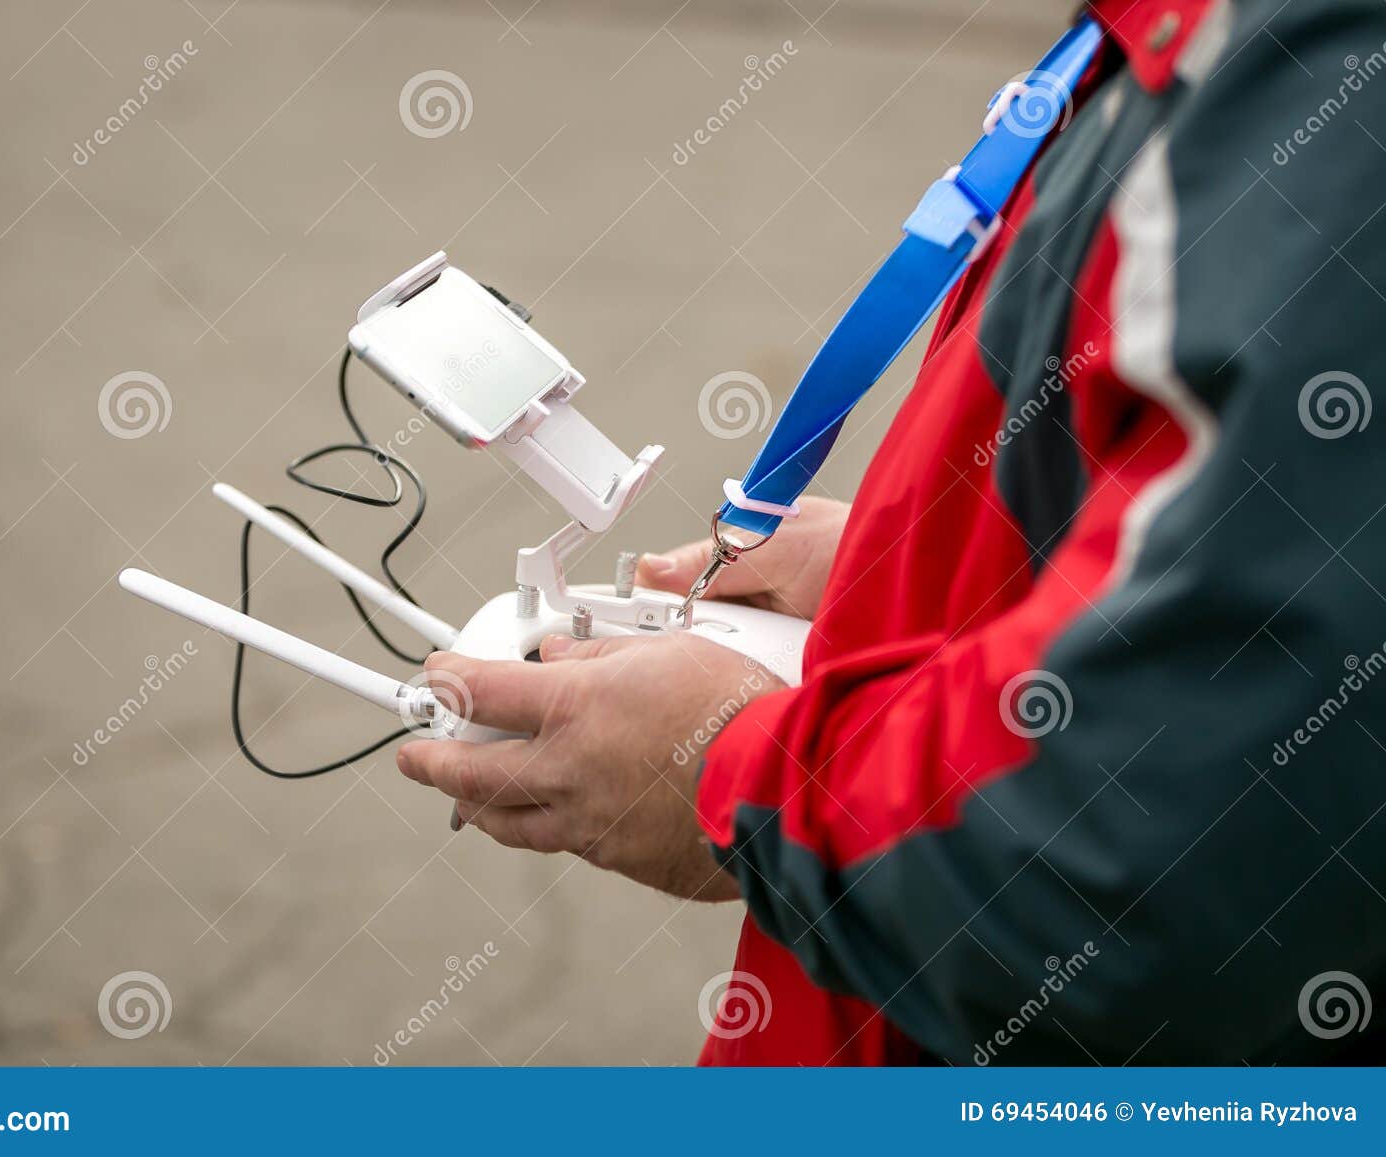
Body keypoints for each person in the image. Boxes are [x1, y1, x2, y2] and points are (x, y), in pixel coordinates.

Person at [398, 0, 1386, 1064]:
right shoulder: (1170, 40)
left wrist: (737, 777)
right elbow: (1167, 508)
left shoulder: (1313, 89)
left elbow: (1142, 844)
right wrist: (910, 563)